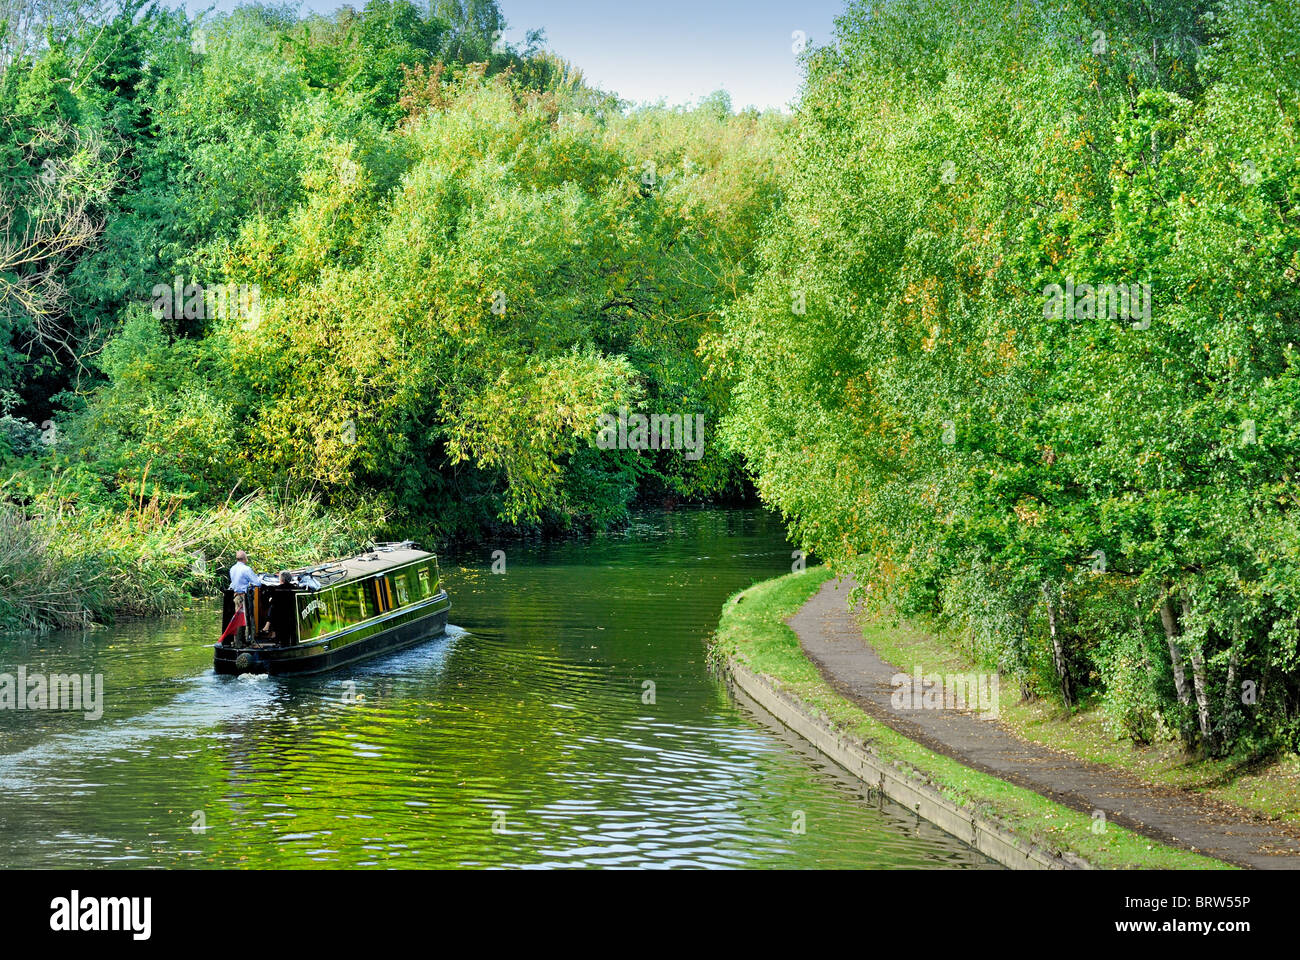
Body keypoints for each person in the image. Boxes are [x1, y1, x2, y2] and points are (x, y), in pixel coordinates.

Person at [229, 551, 258, 647]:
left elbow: (233, 583)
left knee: (238, 618)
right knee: (249, 618)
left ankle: (238, 642)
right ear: (245, 559)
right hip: (245, 596)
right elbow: (257, 583)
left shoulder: (232, 569)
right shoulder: (246, 569)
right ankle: (251, 641)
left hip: (236, 597)